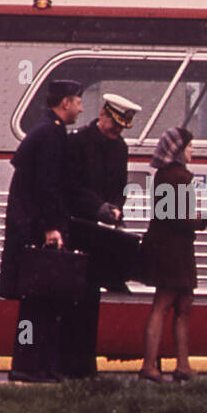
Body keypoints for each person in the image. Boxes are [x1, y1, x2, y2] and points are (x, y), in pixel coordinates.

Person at [0, 79, 84, 382]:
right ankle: (27, 365)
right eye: (77, 101)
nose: (80, 107)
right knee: (37, 304)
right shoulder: (50, 134)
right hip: (37, 230)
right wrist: (51, 227)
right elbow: (47, 186)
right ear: (64, 103)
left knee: (38, 304)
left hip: (30, 228)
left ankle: (34, 364)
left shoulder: (47, 130)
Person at [62, 92, 142, 379]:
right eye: (115, 125)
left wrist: (117, 209)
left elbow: (120, 186)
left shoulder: (120, 148)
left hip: (101, 232)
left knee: (91, 298)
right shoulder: (77, 142)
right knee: (73, 299)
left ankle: (85, 366)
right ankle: (69, 363)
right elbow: (70, 187)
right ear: (103, 114)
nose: (117, 132)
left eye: (122, 128)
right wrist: (99, 208)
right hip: (78, 228)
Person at [138, 127, 207, 382]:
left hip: (168, 247)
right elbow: (181, 217)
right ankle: (152, 365)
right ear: (178, 150)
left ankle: (181, 364)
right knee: (168, 304)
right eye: (189, 147)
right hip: (174, 250)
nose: (192, 151)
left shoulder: (164, 174)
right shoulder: (179, 177)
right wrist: (204, 219)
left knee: (179, 304)